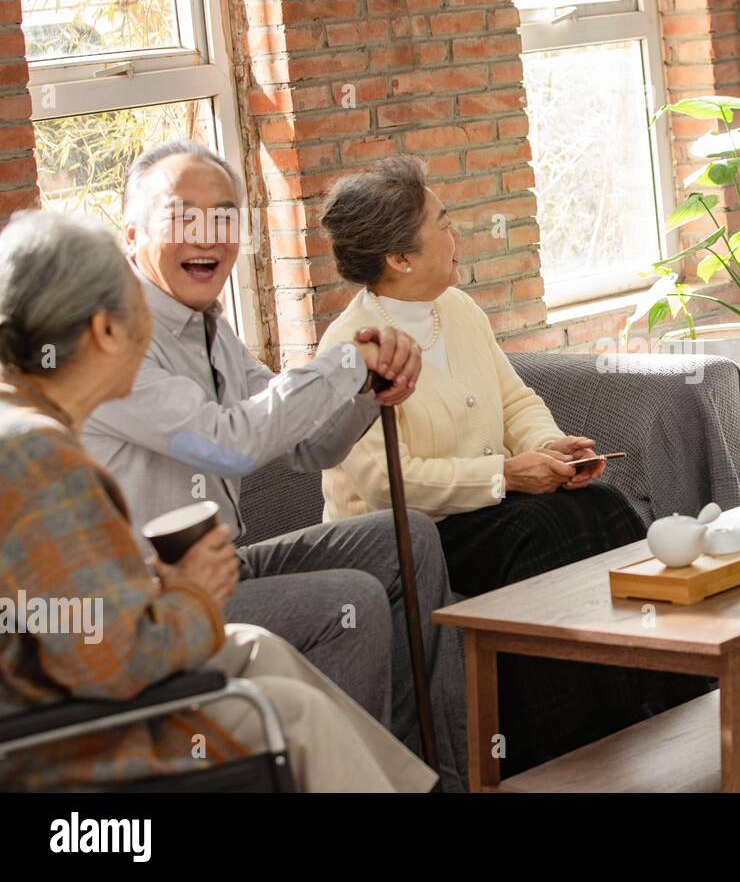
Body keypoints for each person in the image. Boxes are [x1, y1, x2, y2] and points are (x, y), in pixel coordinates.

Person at [0, 210, 434, 791]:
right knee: (289, 708)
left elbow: (71, 609)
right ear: (105, 330)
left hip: (67, 688)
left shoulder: (25, 426)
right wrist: (189, 592)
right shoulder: (40, 460)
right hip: (68, 741)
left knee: (260, 650)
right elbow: (113, 660)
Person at [81, 141, 466, 789]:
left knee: (409, 540)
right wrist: (346, 363)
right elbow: (224, 443)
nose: (207, 235)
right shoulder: (113, 339)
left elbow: (306, 448)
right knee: (347, 600)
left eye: (224, 217)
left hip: (224, 566)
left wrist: (371, 395)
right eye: (182, 217)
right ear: (131, 236)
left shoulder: (207, 330)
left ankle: (429, 775)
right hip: (152, 597)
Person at [318, 156, 708, 775]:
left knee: (604, 506)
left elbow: (515, 401)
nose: (457, 234)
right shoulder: (352, 345)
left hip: (490, 502)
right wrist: (508, 476)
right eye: (442, 222)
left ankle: (674, 701)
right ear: (400, 257)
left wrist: (551, 449)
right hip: (407, 532)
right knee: (544, 533)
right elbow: (382, 481)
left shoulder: (459, 311)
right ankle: (565, 750)